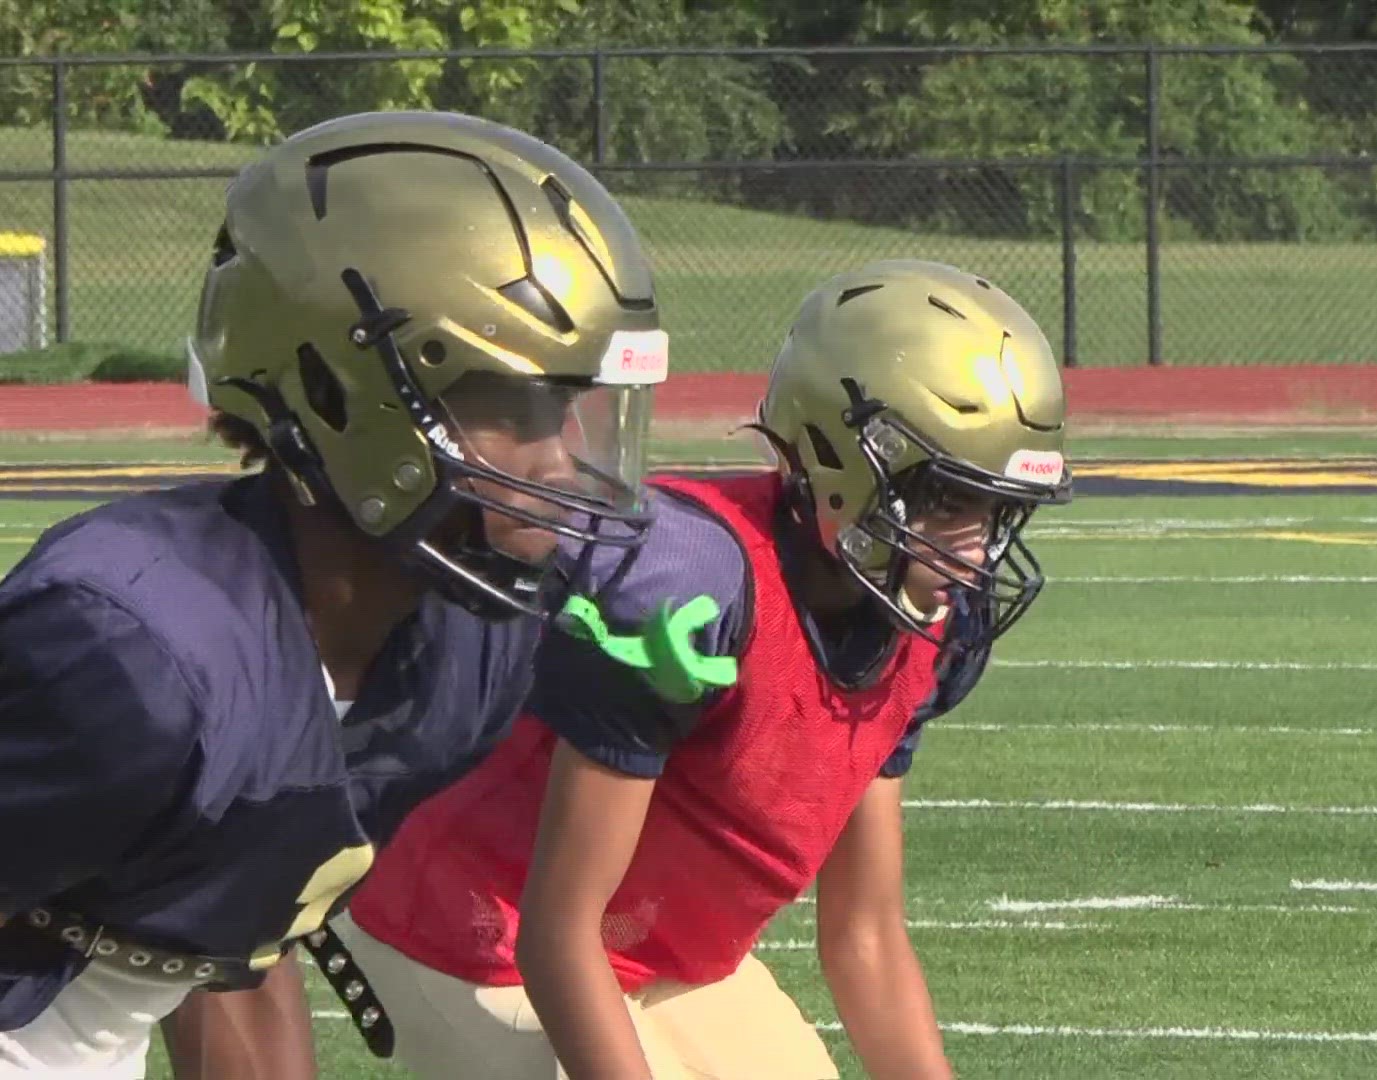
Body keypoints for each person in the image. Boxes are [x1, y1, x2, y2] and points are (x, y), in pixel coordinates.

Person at [0, 108, 670, 1079]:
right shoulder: (137, 654)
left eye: (572, 408)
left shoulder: (462, 650)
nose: (563, 460)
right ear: (339, 392)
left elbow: (232, 921)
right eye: (518, 407)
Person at [324, 259, 1073, 1080]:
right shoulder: (692, 592)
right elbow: (557, 932)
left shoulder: (922, 623)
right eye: (945, 501)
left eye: (996, 512)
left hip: (662, 953)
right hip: (474, 921)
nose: (972, 553)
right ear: (840, 458)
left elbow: (863, 936)